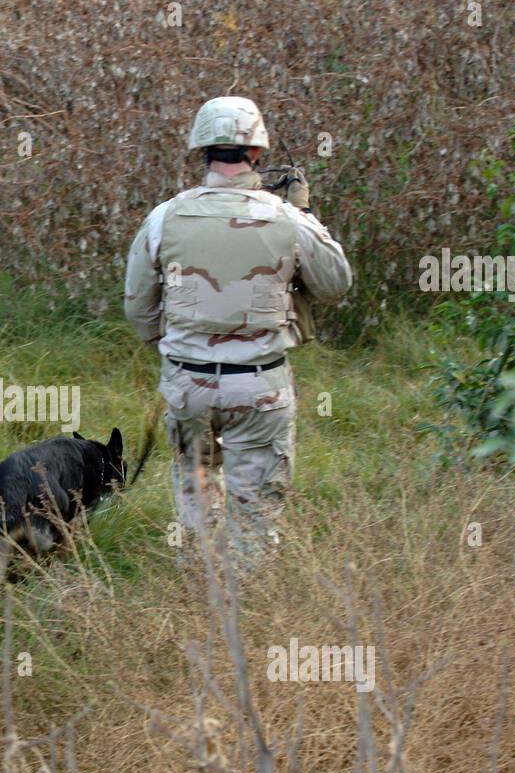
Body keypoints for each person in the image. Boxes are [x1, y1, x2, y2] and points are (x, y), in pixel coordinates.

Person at [123, 97, 352, 566]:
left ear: (202, 151)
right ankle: (247, 611)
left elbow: (138, 307)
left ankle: (199, 597)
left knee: (195, 506)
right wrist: (304, 211)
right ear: (258, 155)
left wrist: (177, 351)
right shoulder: (286, 218)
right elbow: (335, 285)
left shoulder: (163, 218)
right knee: (255, 519)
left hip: (188, 385)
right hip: (260, 386)